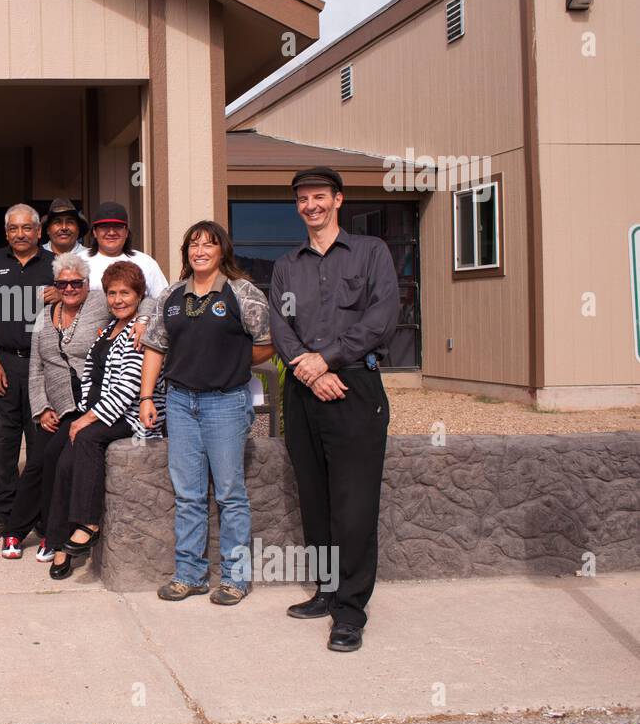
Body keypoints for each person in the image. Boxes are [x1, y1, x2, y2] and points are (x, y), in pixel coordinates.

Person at [268, 166, 399, 653]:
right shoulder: (287, 265)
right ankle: (326, 590)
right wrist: (309, 370)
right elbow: (280, 325)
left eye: (319, 197)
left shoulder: (371, 253)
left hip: (355, 387)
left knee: (354, 503)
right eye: (303, 199)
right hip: (304, 390)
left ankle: (350, 611)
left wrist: (329, 359)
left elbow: (382, 317)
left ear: (338, 200)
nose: (311, 206)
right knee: (316, 497)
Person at [139, 220, 273, 606]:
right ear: (186, 254)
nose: (200, 251)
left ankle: (235, 578)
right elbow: (154, 348)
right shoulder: (171, 295)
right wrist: (147, 397)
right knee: (188, 494)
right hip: (180, 402)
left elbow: (265, 344)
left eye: (208, 244)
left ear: (221, 251)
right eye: (193, 245)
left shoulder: (243, 293)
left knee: (230, 494)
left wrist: (229, 360)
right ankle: (190, 575)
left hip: (225, 403)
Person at [46, 260, 162, 580]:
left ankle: (88, 524)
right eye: (112, 293)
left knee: (84, 438)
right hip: (100, 411)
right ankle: (59, 543)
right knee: (64, 459)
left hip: (130, 415)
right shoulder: (108, 329)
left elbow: (128, 388)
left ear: (139, 295)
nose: (118, 299)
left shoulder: (142, 330)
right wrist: (83, 412)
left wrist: (86, 420)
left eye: (126, 293)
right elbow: (91, 378)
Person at [0, 204, 52, 541]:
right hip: (4, 362)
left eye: (26, 228)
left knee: (39, 442)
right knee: (4, 442)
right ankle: (1, 512)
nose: (20, 234)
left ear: (38, 231)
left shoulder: (54, 264)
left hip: (42, 366)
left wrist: (59, 297)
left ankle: (37, 512)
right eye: (13, 229)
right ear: (6, 232)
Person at [83, 201, 169, 298]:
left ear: (127, 232)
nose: (111, 232)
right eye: (104, 227)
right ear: (94, 232)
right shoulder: (79, 261)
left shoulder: (146, 262)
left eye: (118, 227)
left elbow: (163, 301)